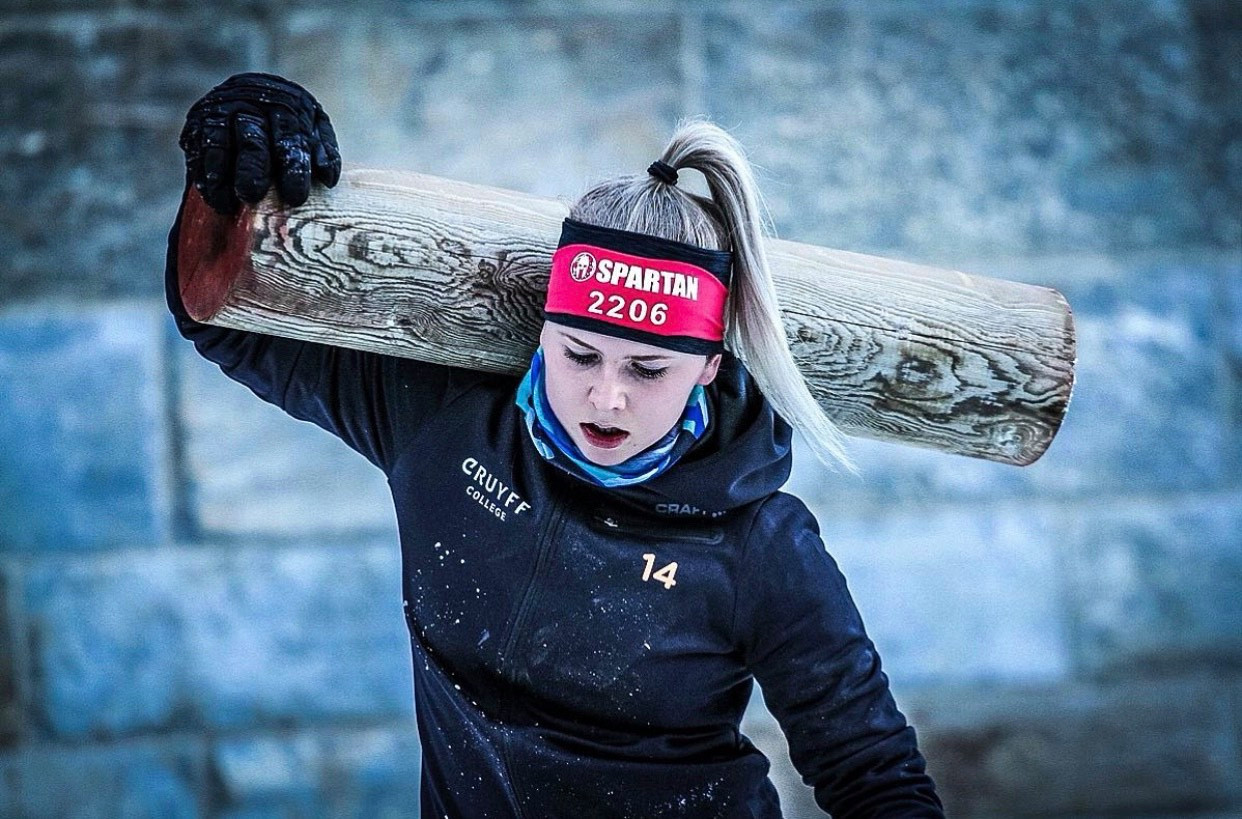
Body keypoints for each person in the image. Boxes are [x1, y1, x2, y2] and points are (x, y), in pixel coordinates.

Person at [170, 72, 944, 818]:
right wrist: (228, 171)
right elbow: (222, 323)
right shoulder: (446, 430)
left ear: (709, 366)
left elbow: (872, 773)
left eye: (648, 369)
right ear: (544, 329)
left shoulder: (758, 545)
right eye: (579, 353)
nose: (608, 396)